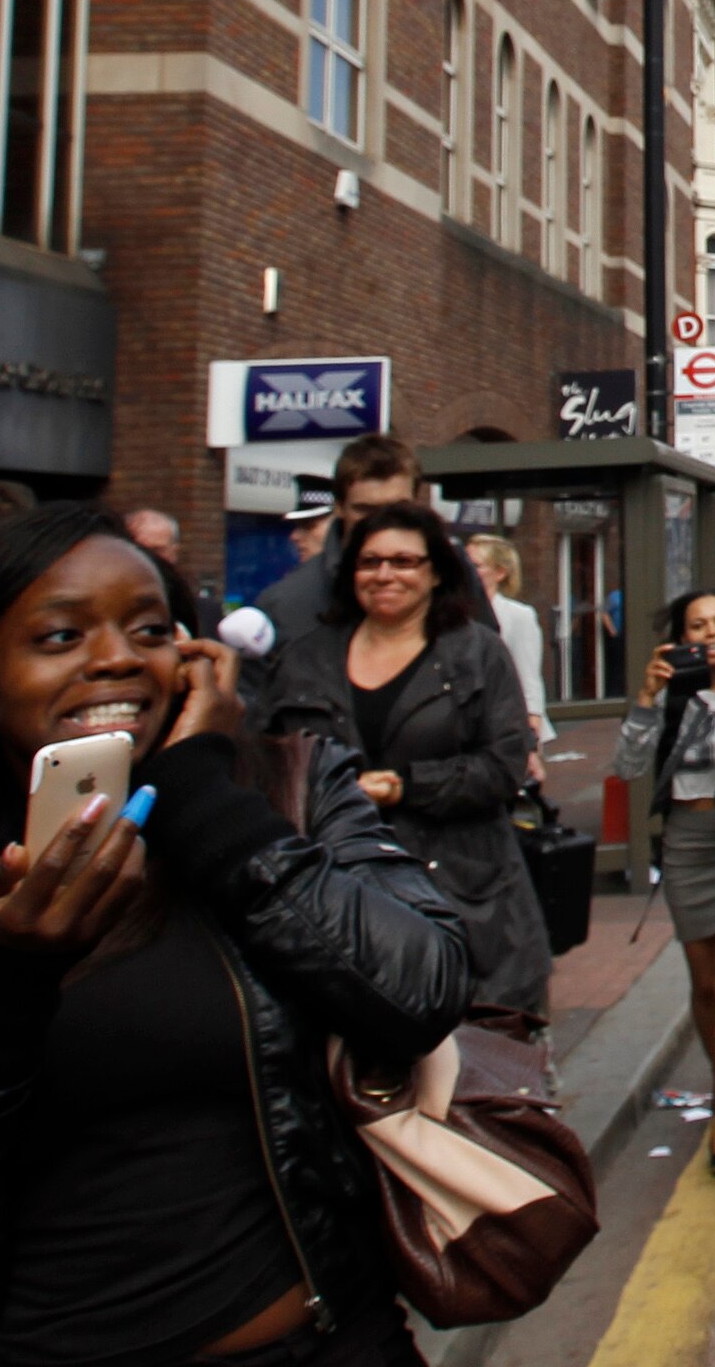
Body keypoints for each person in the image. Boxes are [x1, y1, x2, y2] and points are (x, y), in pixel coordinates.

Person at [0, 504, 470, 1366]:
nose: (116, 657)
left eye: (149, 628)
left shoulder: (285, 790)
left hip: (325, 1341)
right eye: (60, 635)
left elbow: (421, 989)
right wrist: (2, 979)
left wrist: (203, 799)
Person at [259, 501, 553, 1020]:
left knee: (479, 1074)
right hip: (341, 897)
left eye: (403, 561)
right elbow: (270, 760)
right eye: (370, 562)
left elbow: (505, 766)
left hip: (466, 894)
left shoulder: (476, 653)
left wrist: (406, 787)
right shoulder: (308, 658)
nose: (384, 574)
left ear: (436, 572)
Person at [615, 587, 715, 1176]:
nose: (712, 633)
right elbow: (627, 768)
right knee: (702, 987)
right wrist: (648, 697)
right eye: (699, 626)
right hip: (688, 845)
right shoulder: (673, 695)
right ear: (681, 637)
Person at [249, 436, 498, 651]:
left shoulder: (453, 572)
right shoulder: (287, 603)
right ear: (339, 508)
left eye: (396, 508)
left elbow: (491, 674)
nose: (383, 522)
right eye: (365, 510)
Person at [464, 534, 556, 769]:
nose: (466, 571)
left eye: (475, 565)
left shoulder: (518, 615)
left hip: (505, 724)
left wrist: (531, 736)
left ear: (500, 572)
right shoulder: (454, 614)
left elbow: (528, 676)